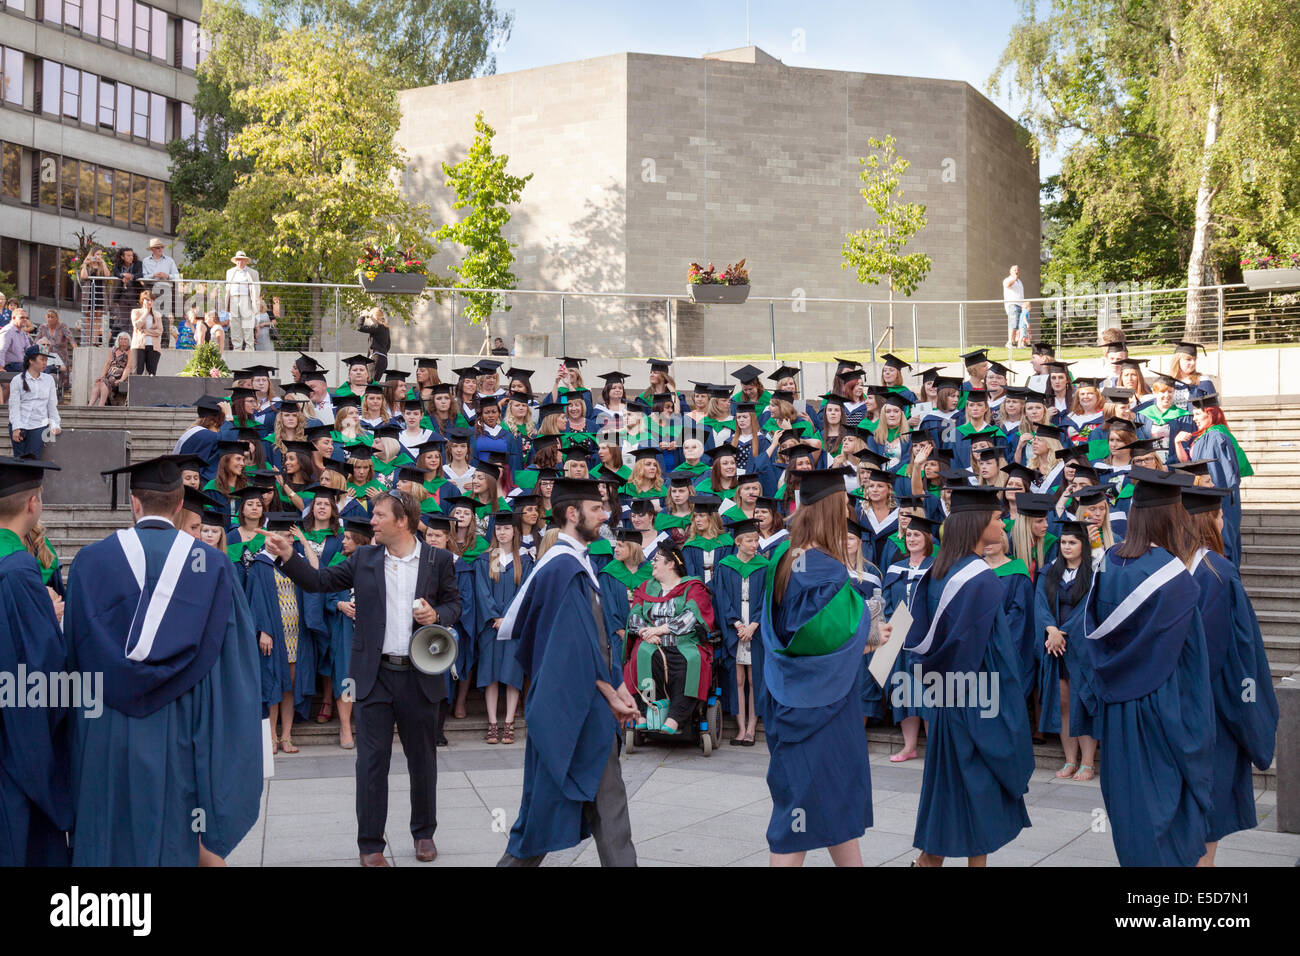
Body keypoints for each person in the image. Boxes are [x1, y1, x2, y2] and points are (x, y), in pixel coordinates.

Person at [64, 456, 263, 865]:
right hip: (182, 725)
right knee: (175, 833)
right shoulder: (213, 566)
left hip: (105, 725)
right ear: (179, 506)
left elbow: (74, 658)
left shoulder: (89, 561)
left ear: (134, 503)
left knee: (108, 831)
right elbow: (233, 673)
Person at [264, 490, 461, 866]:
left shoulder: (437, 560)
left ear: (402, 521)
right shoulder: (365, 558)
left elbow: (455, 604)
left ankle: (424, 834)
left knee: (423, 761)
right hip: (373, 676)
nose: (372, 521)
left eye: (379, 515)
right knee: (371, 762)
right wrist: (288, 557)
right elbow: (320, 581)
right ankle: (370, 845)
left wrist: (437, 616)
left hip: (421, 675)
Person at [495, 477, 639, 866]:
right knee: (553, 815)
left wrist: (618, 684)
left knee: (600, 810)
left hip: (582, 705)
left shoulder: (577, 563)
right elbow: (571, 648)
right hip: (575, 709)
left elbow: (592, 638)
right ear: (572, 513)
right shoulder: (561, 568)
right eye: (597, 509)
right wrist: (611, 692)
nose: (605, 516)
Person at [754, 468, 890, 867]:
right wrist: (869, 630)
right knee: (800, 813)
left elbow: (798, 635)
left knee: (828, 804)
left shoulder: (785, 556)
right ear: (831, 511)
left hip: (792, 696)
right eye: (844, 504)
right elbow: (814, 636)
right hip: (822, 707)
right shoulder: (823, 568)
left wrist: (857, 634)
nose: (849, 509)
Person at [1081, 466, 1215, 866]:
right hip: (1163, 708)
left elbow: (1093, 638)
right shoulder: (1175, 576)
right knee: (1165, 811)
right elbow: (1192, 661)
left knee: (1132, 809)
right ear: (1171, 517)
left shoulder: (1107, 564)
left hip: (1119, 711)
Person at [902, 484, 1035, 866]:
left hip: (948, 702)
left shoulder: (939, 571)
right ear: (978, 525)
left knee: (954, 794)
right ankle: (928, 861)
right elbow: (992, 656)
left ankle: (928, 861)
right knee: (977, 793)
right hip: (976, 705)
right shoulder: (978, 580)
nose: (1003, 521)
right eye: (996, 517)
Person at [1180, 486, 1278, 865]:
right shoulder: (1217, 572)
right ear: (1208, 522)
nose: (1225, 522)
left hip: (1176, 709)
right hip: (1213, 714)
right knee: (1209, 818)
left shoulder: (1170, 568)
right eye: (1220, 516)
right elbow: (1232, 654)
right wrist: (1251, 712)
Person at [0, 457, 72, 865]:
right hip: (12, 744)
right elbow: (43, 672)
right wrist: (51, 619)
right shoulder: (20, 571)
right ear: (33, 503)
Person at [474, 513, 532, 745]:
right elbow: (482, 590)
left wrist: (506, 618)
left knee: (511, 674)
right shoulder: (489, 558)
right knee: (490, 676)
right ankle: (492, 723)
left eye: (507, 529)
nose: (502, 532)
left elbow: (524, 593)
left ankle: (508, 722)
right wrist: (495, 617)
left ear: (514, 532)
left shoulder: (523, 560)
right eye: (499, 529)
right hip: (491, 627)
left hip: (513, 628)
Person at [8, 345, 61, 460]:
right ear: (31, 360)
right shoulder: (17, 380)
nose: (45, 363)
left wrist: (55, 423)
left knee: (34, 460)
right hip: (20, 425)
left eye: (46, 360)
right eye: (42, 359)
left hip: (39, 426)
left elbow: (52, 405)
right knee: (19, 461)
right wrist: (16, 427)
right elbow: (14, 407)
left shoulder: (49, 380)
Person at [88, 332, 133, 406]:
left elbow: (128, 367)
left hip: (121, 375)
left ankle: (101, 405)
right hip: (110, 374)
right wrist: (102, 376)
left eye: (125, 339)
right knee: (98, 382)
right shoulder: (113, 350)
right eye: (121, 339)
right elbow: (107, 364)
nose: (123, 341)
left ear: (129, 341)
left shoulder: (130, 351)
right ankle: (90, 405)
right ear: (118, 340)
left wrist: (121, 379)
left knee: (104, 382)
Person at [130, 291, 164, 377]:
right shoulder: (136, 312)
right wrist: (145, 313)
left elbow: (159, 331)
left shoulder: (157, 315)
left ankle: (150, 390)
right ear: (142, 300)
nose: (150, 302)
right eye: (148, 300)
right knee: (137, 371)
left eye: (152, 300)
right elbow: (137, 325)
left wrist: (145, 331)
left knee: (151, 373)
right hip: (139, 345)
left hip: (154, 347)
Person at [358, 306, 391, 381]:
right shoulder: (386, 328)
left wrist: (362, 316)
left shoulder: (377, 326)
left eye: (371, 316)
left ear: (375, 316)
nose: (370, 318)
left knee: (370, 383)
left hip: (376, 358)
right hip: (384, 360)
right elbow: (388, 345)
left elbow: (360, 327)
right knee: (375, 383)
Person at [1003, 264, 1030, 348]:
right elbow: (1007, 285)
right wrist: (1014, 278)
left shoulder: (1020, 282)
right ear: (1010, 271)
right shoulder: (1008, 279)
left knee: (1020, 325)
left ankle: (1015, 343)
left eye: (1017, 270)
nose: (1016, 271)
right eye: (1014, 270)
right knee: (1013, 324)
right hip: (1013, 305)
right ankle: (1010, 342)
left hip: (1020, 305)